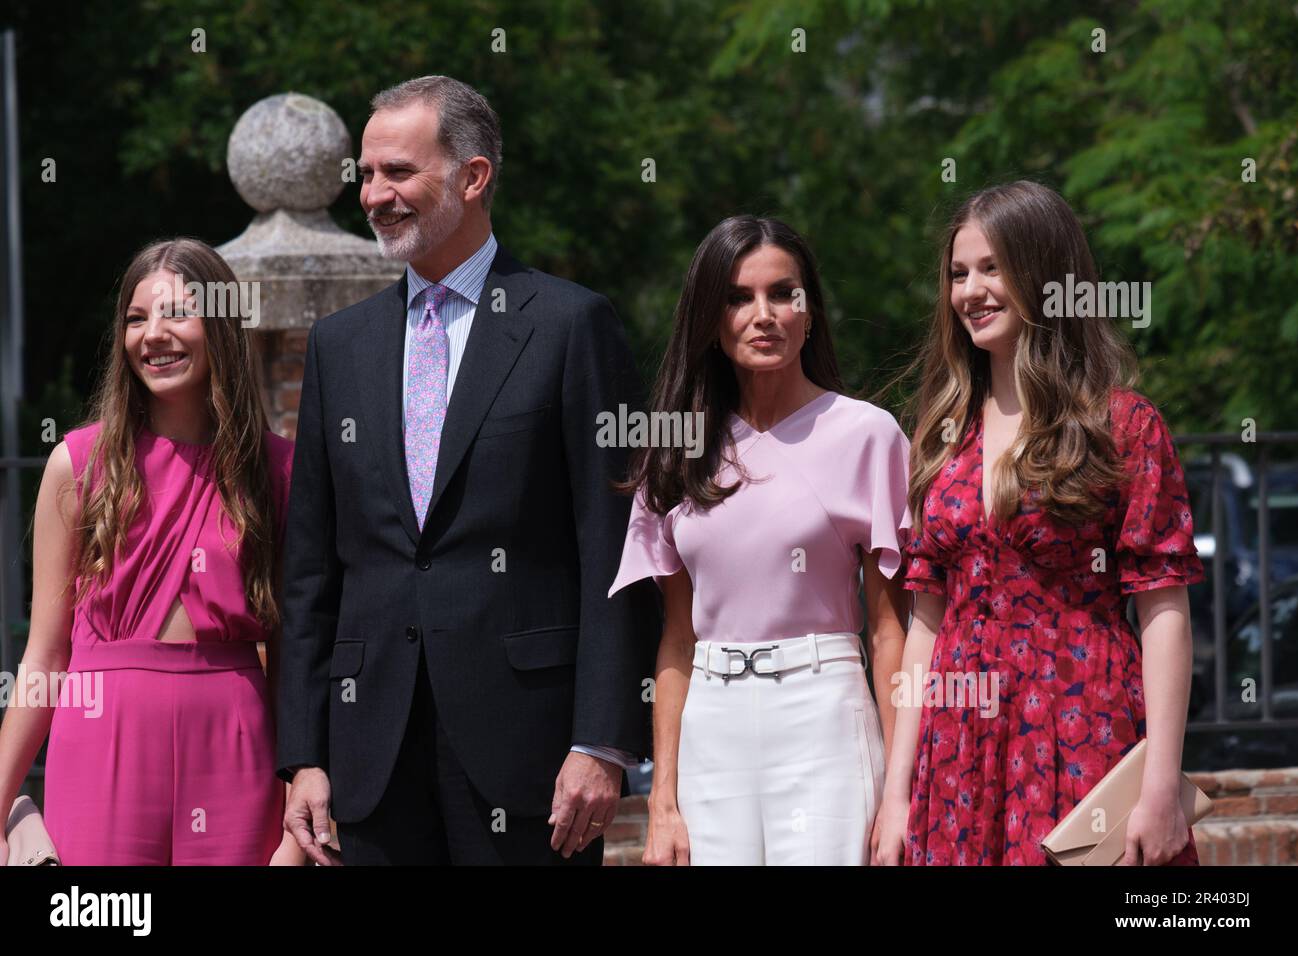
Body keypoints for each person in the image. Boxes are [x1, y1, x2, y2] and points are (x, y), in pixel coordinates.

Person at [276, 75, 658, 866]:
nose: (375, 194)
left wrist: (603, 741)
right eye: (367, 175)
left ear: (473, 176)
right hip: (370, 751)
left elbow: (617, 550)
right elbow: (312, 570)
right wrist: (303, 755)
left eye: (398, 172)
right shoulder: (339, 346)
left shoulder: (569, 325)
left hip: (532, 754)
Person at [873, 181, 1204, 866]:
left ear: (1046, 275)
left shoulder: (1123, 426)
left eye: (992, 268)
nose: (971, 291)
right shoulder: (941, 436)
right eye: (959, 274)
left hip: (1084, 728)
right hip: (959, 746)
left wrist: (1163, 783)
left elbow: (1165, 610)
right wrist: (896, 792)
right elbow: (924, 626)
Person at [608, 215, 911, 865]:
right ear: (709, 320)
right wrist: (662, 801)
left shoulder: (869, 435)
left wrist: (901, 795)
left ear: (810, 311)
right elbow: (677, 639)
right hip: (709, 729)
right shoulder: (674, 452)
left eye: (784, 294)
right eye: (739, 297)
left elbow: (890, 633)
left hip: (826, 713)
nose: (764, 314)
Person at [0, 238, 301, 866]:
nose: (153, 335)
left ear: (219, 324)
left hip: (238, 749)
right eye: (136, 319)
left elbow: (298, 655)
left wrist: (298, 822)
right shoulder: (76, 465)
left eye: (176, 313)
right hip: (101, 740)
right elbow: (45, 653)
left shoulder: (277, 471)